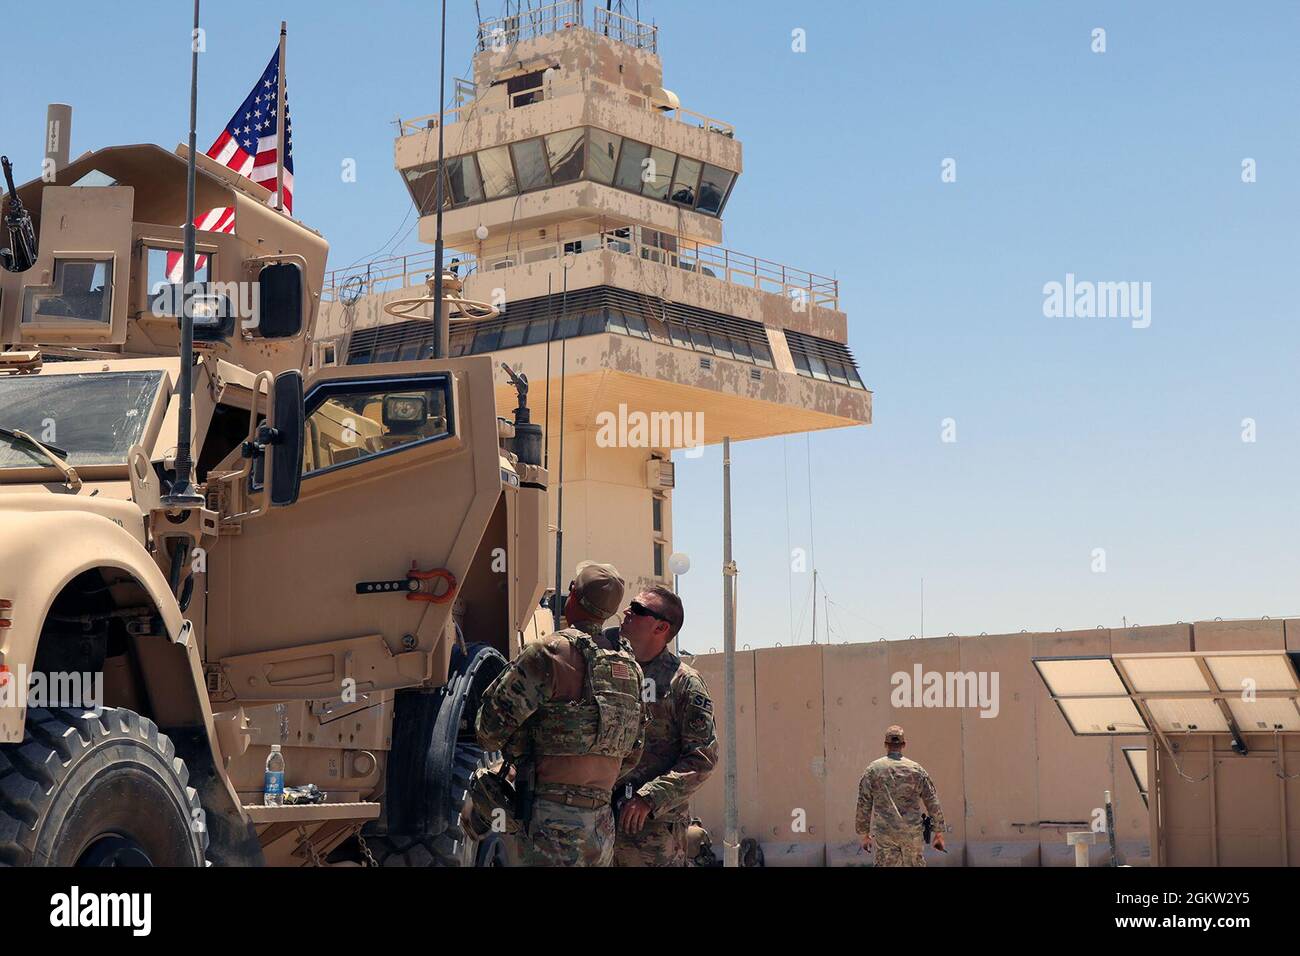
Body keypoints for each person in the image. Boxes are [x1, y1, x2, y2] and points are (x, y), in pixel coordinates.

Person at [475, 562, 645, 866]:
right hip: (602, 825)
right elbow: (633, 752)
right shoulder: (630, 668)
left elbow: (488, 731)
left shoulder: (550, 653)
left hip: (552, 822)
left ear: (573, 595)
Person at [610, 586, 717, 867]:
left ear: (661, 627)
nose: (627, 612)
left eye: (638, 609)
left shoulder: (683, 684)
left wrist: (649, 799)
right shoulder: (612, 671)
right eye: (630, 606)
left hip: (653, 835)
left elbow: (702, 759)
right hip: (602, 825)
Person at [856, 725, 946, 867]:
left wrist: (864, 834)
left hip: (885, 834)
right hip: (912, 833)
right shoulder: (916, 770)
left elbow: (863, 803)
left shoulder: (873, 770)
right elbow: (932, 801)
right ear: (904, 744)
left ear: (886, 744)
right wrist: (938, 833)